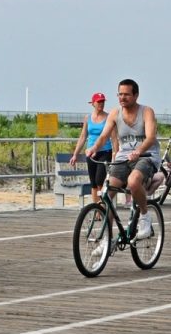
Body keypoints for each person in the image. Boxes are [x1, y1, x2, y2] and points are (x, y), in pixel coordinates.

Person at [86, 78, 160, 239]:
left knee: (133, 182)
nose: (122, 98)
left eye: (126, 94)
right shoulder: (114, 113)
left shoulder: (146, 111)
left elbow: (151, 137)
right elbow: (104, 136)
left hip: (146, 156)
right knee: (107, 192)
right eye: (120, 94)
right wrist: (94, 148)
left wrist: (139, 151)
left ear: (136, 95)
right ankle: (107, 239)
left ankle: (145, 218)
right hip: (123, 158)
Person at [68, 93, 112, 203]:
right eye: (99, 102)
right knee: (93, 182)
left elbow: (114, 136)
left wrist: (116, 153)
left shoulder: (108, 117)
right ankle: (96, 207)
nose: (101, 104)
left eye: (103, 101)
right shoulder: (87, 118)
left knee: (99, 181)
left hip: (105, 151)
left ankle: (102, 206)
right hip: (90, 152)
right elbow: (83, 136)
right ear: (93, 103)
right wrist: (75, 154)